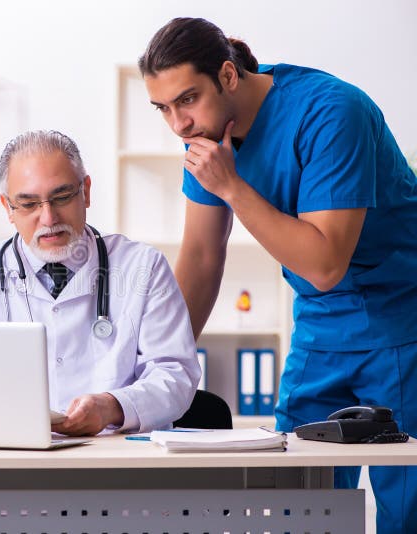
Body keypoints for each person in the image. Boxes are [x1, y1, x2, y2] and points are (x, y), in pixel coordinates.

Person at [139, 17, 417, 533]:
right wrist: (158, 369)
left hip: (401, 322)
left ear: (227, 75)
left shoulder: (332, 112)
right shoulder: (204, 133)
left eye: (187, 99)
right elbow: (201, 256)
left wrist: (231, 186)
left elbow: (325, 264)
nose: (178, 123)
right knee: (297, 504)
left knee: (405, 511)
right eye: (163, 108)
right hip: (320, 327)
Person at [0, 129, 200, 436]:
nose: (49, 218)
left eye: (61, 197)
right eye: (29, 204)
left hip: (118, 455)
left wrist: (111, 406)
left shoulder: (143, 267)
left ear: (85, 191)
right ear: (8, 207)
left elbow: (175, 375)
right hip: (15, 455)